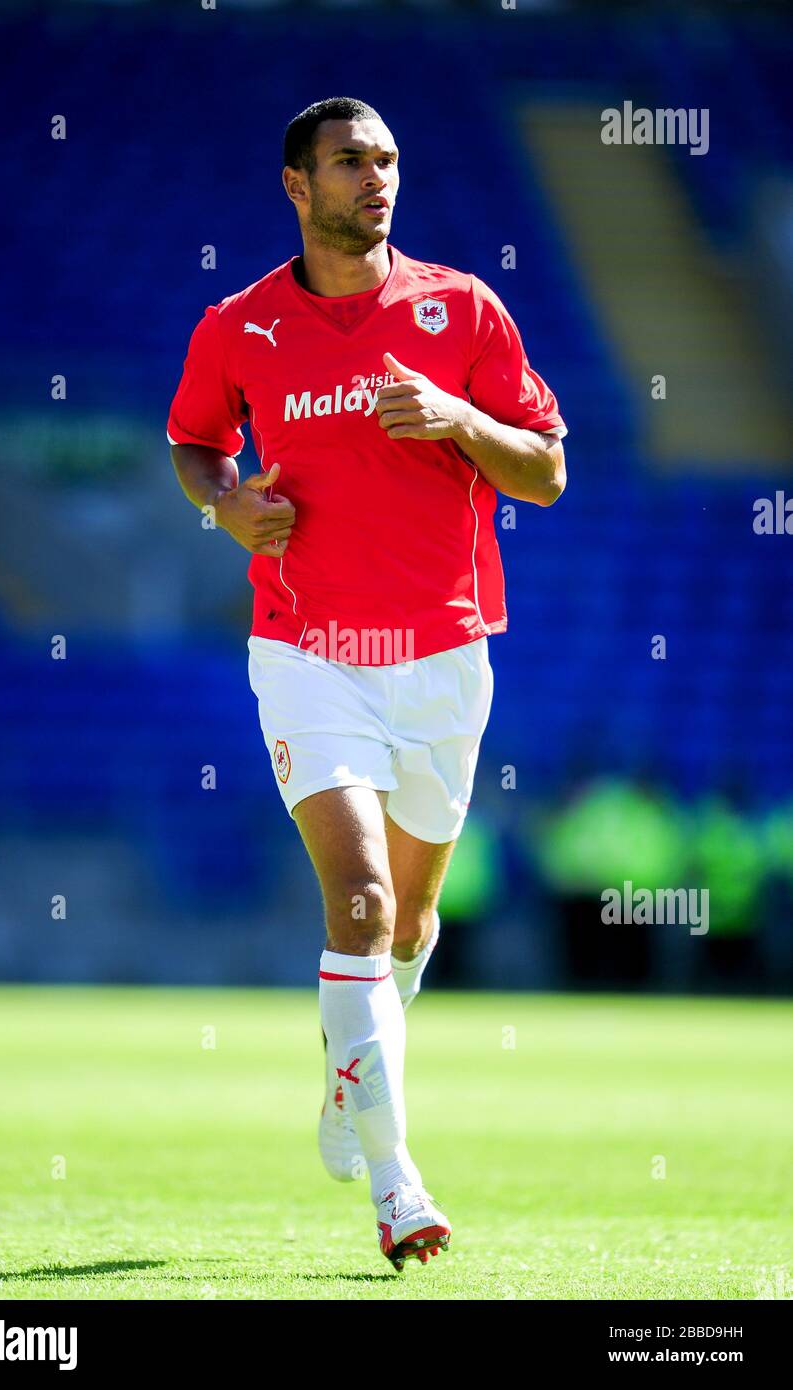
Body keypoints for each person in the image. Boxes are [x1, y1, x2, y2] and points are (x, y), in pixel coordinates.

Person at [167, 96, 567, 1271]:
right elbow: (196, 442)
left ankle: (353, 1078)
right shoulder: (240, 326)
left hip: (445, 657)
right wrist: (224, 503)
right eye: (350, 161)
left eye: (388, 158)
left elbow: (545, 471)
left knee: (414, 919)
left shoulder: (462, 309)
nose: (375, 178)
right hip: (306, 652)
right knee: (362, 907)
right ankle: (398, 1182)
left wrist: (454, 416)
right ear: (298, 184)